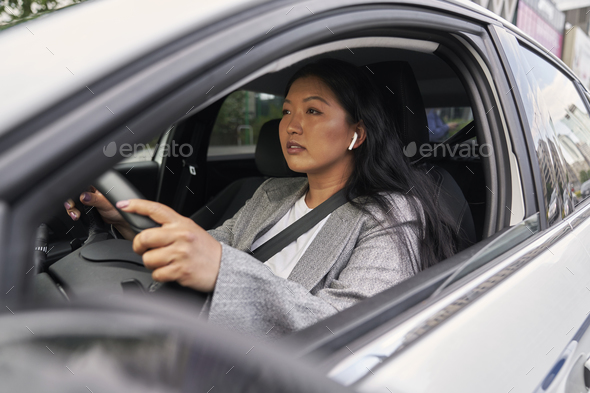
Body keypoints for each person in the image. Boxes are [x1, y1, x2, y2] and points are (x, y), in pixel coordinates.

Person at [64, 58, 459, 340]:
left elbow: (344, 328)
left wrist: (223, 271)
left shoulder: (392, 214)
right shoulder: (272, 193)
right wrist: (118, 216)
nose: (291, 125)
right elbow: (203, 250)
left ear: (357, 132)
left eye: (314, 111)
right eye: (286, 111)